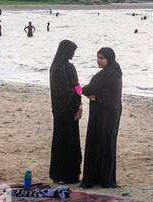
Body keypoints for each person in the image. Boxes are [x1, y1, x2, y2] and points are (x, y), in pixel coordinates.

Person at [81, 47, 123, 188]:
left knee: (97, 143)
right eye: (97, 57)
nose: (98, 60)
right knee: (107, 144)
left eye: (102, 58)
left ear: (109, 58)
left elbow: (85, 89)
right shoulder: (116, 71)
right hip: (113, 113)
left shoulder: (104, 75)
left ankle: (96, 178)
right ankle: (104, 177)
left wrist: (82, 91)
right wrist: (92, 95)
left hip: (103, 115)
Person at [49, 40, 83, 184]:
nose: (73, 54)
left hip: (73, 108)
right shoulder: (56, 68)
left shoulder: (70, 67)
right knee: (62, 140)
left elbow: (78, 86)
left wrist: (80, 104)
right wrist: (75, 91)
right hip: (62, 110)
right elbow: (61, 91)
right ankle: (60, 174)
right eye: (72, 51)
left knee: (73, 141)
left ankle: (73, 174)